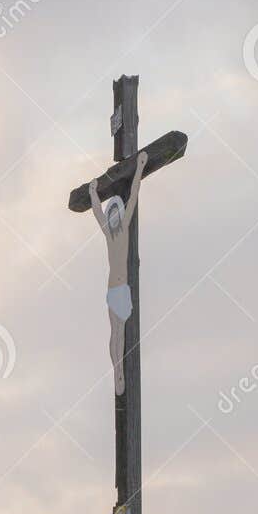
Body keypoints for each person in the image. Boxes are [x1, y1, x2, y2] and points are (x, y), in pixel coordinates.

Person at [92, 149, 147, 395]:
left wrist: (140, 167)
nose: (112, 218)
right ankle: (116, 369)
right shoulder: (108, 235)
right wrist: (93, 192)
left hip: (122, 289)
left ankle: (120, 371)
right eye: (110, 214)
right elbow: (96, 213)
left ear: (120, 216)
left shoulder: (123, 231)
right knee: (113, 333)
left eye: (115, 213)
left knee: (121, 334)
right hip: (111, 290)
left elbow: (133, 196)